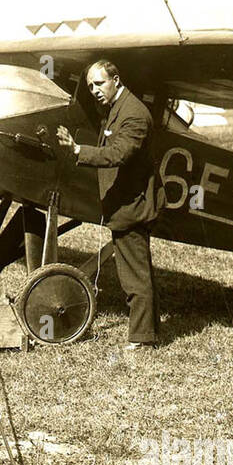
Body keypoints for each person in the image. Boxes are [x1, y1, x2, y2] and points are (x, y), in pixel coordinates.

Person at [57, 60, 165, 349]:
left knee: (134, 277)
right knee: (138, 270)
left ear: (116, 79)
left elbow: (119, 153)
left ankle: (142, 340)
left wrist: (78, 150)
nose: (94, 90)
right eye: (90, 85)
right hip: (127, 203)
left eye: (100, 83)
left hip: (132, 206)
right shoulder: (119, 108)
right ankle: (149, 331)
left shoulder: (133, 114)